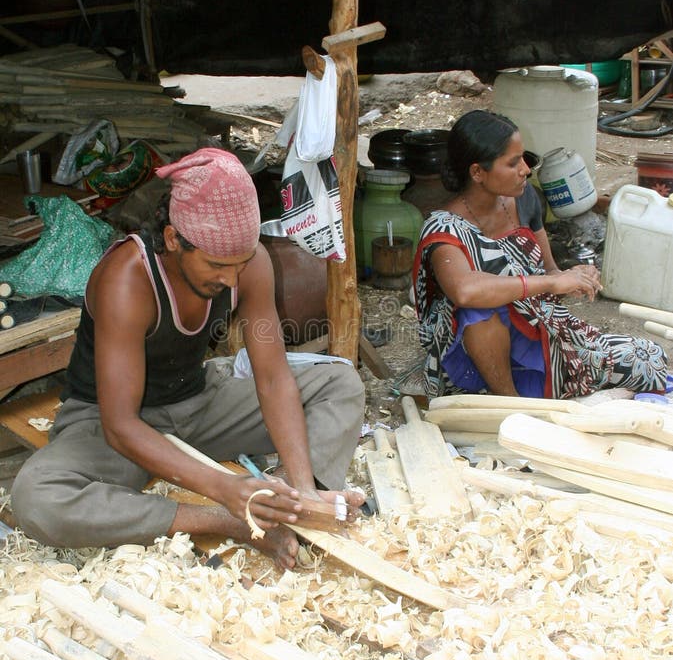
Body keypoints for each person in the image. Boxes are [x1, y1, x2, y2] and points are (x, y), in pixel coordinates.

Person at [11, 148, 365, 570]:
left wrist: (301, 487)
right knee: (37, 497)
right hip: (110, 427)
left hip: (196, 403)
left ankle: (290, 506)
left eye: (240, 263)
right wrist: (226, 491)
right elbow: (120, 426)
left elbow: (272, 378)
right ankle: (227, 522)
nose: (230, 279)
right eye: (216, 265)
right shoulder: (127, 278)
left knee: (340, 384)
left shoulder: (250, 265)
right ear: (174, 239)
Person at [413, 110, 667, 399]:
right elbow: (465, 291)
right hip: (474, 361)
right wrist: (550, 282)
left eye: (523, 158)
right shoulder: (445, 228)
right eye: (513, 163)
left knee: (649, 359)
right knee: (477, 312)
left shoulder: (524, 199)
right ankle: (509, 403)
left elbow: (550, 272)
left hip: (538, 336)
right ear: (477, 172)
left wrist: (573, 277)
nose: (525, 170)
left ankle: (544, 388)